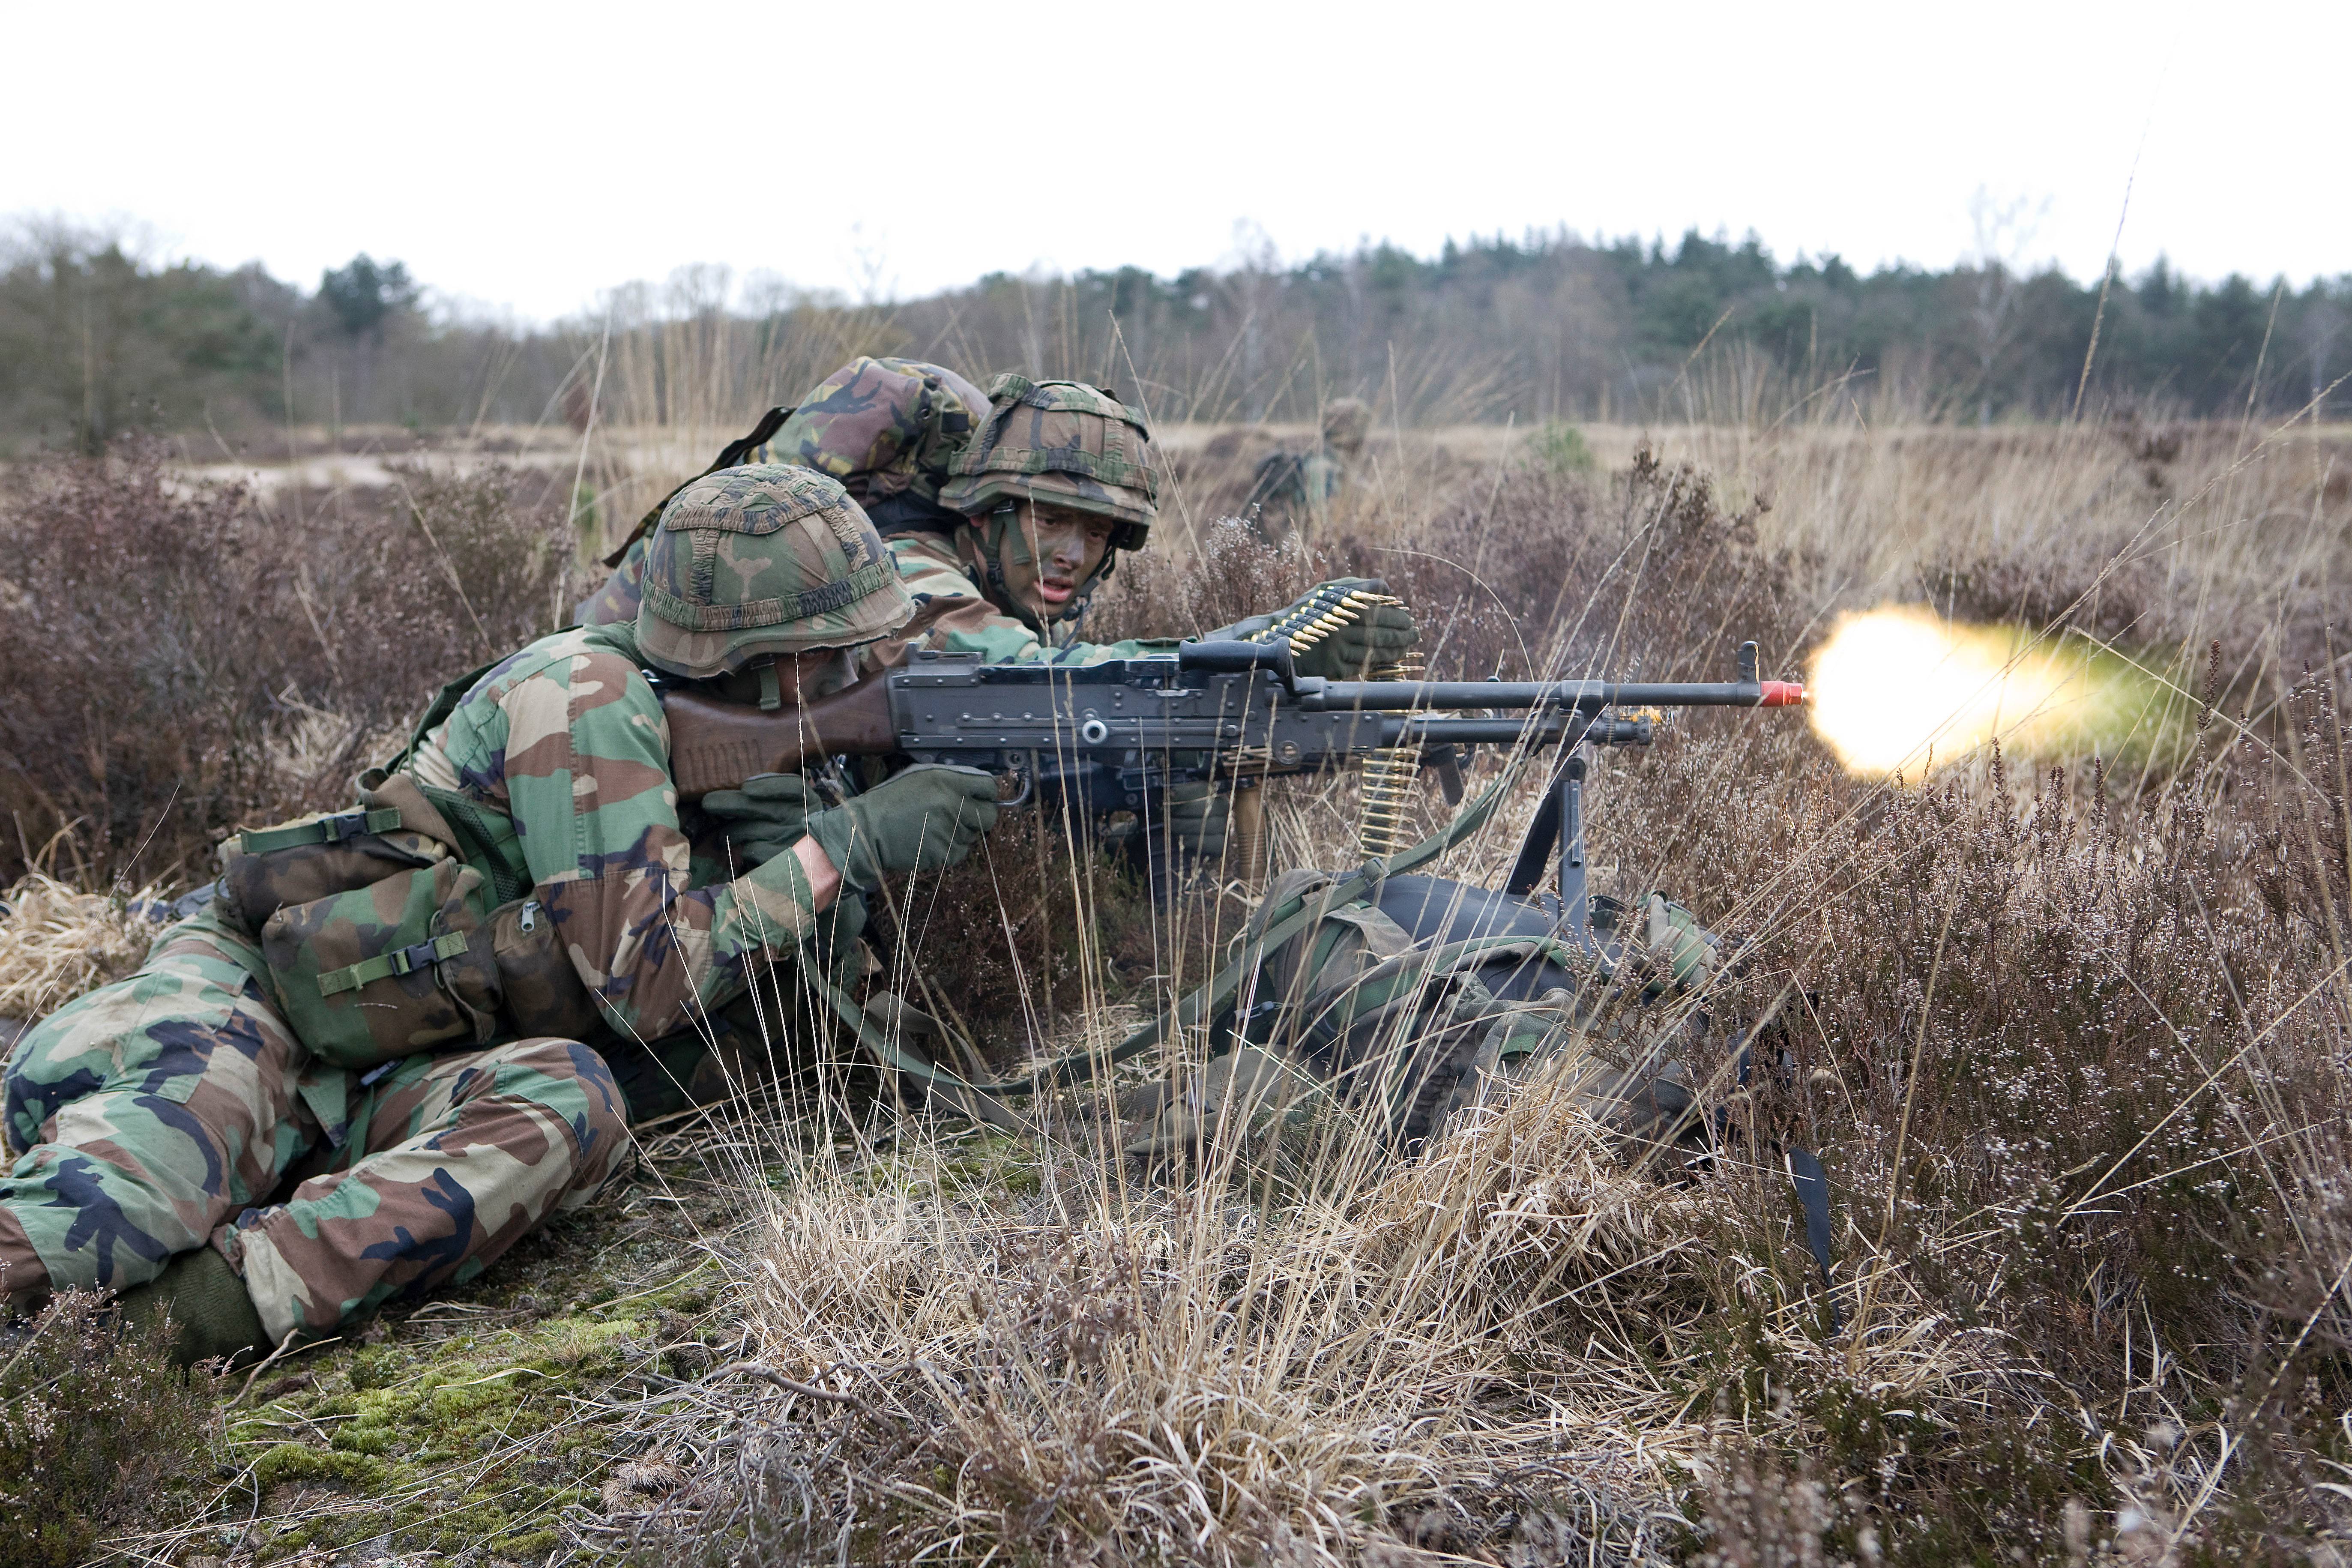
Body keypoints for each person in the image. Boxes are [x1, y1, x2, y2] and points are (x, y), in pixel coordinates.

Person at [0, 466, 996, 1365]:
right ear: (780, 659)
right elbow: (646, 981)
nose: (858, 671)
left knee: (573, 1101)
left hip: (390, 1064)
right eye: (839, 655)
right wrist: (840, 849)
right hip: (247, 1010)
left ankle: (146, 1340)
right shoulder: (586, 695)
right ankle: (88, 1295)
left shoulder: (718, 724)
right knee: (113, 1218)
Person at [580, 367, 1419, 871]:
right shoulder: (903, 565)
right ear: (983, 513)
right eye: (1048, 520)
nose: (1070, 555)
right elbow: (1023, 674)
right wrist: (1260, 646)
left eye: (1095, 534)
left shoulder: (1004, 581)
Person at [1245, 397, 1372, 545]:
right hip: (1294, 548)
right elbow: (1321, 524)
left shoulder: (1331, 460)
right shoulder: (1323, 467)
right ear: (1356, 434)